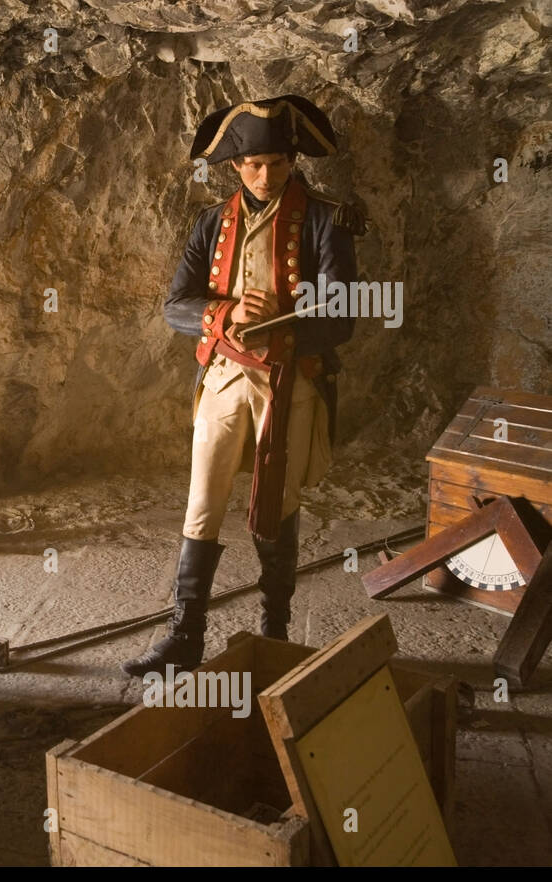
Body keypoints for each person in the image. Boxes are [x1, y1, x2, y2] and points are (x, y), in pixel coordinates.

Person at [122, 95, 362, 677]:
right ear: (235, 166)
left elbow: (343, 316)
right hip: (225, 375)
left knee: (279, 504)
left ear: (292, 160)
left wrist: (285, 314)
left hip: (291, 380)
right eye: (254, 164)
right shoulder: (210, 222)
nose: (266, 175)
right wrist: (226, 313)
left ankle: (275, 631)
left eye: (277, 163)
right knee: (202, 502)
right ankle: (185, 635)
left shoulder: (327, 218)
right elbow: (175, 307)